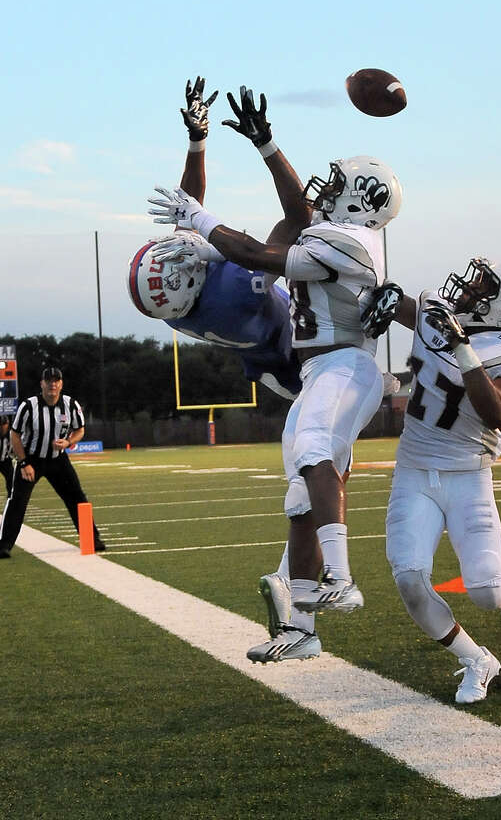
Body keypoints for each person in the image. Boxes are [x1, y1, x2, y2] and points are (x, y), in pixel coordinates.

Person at [150, 99, 402, 656]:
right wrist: (265, 144)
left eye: (339, 184)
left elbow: (259, 251)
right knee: (299, 499)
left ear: (362, 200)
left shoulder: (347, 242)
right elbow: (290, 215)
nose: (325, 188)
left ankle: (341, 578)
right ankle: (301, 628)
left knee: (313, 452)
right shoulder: (336, 235)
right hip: (315, 371)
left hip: (343, 365)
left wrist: (199, 218)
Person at [363, 255, 501, 701]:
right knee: (410, 580)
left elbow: (499, 412)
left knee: (486, 590)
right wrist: (376, 293)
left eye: (483, 285)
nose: (468, 288)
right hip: (413, 472)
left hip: (468, 477)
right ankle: (476, 659)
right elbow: (395, 304)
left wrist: (462, 347)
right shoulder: (439, 313)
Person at [129, 78, 306, 401]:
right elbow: (298, 217)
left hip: (264, 355)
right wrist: (265, 143)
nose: (178, 252)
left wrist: (197, 139)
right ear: (188, 285)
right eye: (181, 265)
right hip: (297, 360)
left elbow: (188, 205)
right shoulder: (236, 293)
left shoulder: (172, 310)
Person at [0, 366, 106, 558]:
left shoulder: (71, 405)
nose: (52, 384)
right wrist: (23, 463)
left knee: (77, 497)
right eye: (48, 381)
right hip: (31, 459)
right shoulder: (28, 406)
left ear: (61, 384)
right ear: (42, 384)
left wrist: (68, 442)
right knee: (17, 501)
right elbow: (15, 435)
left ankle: (92, 539)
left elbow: (80, 430)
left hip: (57, 459)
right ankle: (3, 545)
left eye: (56, 381)